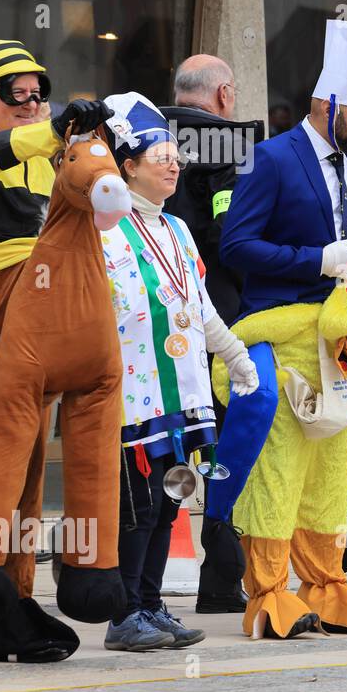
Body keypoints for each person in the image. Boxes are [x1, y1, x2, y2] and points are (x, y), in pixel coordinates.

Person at [209, 20, 347, 594]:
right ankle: (255, 572)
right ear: (325, 102)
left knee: (340, 454)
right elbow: (235, 245)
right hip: (277, 326)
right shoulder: (272, 157)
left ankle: (325, 576)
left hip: (334, 337)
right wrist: (318, 259)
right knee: (273, 445)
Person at [98, 93, 258, 651]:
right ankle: (123, 615)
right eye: (160, 153)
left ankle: (150, 602)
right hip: (132, 398)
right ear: (128, 167)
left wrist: (234, 355)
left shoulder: (179, 231)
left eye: (174, 152)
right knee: (138, 507)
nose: (174, 162)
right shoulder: (103, 233)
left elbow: (202, 310)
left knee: (169, 502)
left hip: (183, 395)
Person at [0, 39, 110, 606]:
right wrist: (57, 125)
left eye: (38, 94)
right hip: (3, 307)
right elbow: (5, 145)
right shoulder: (17, 145)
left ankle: (14, 597)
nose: (31, 102)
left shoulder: (48, 156)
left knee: (31, 467)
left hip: (40, 317)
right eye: (14, 93)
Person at [162, 54, 261, 326]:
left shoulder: (147, 138)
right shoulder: (234, 148)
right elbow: (232, 233)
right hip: (213, 305)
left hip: (149, 296)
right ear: (223, 93)